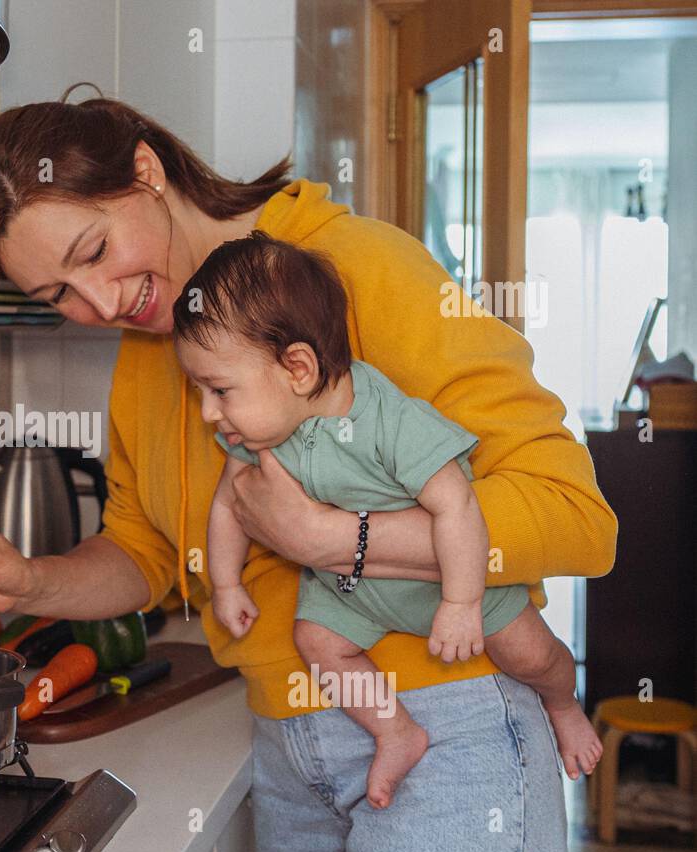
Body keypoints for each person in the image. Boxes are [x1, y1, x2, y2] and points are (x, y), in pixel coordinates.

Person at [0, 96, 617, 852]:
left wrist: (335, 540)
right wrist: (26, 584)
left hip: (452, 723)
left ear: (145, 172)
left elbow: (575, 516)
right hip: (288, 751)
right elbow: (143, 555)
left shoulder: (357, 268)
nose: (105, 303)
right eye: (60, 297)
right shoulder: (149, 350)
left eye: (94, 251)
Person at [175, 229, 603, 810]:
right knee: (316, 640)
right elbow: (228, 505)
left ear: (298, 368)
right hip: (352, 594)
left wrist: (460, 602)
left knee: (531, 654)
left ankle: (563, 703)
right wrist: (225, 584)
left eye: (219, 389)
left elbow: (458, 505)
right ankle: (395, 731)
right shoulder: (257, 438)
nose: (207, 412)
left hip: (441, 584)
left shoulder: (390, 420)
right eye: (200, 390)